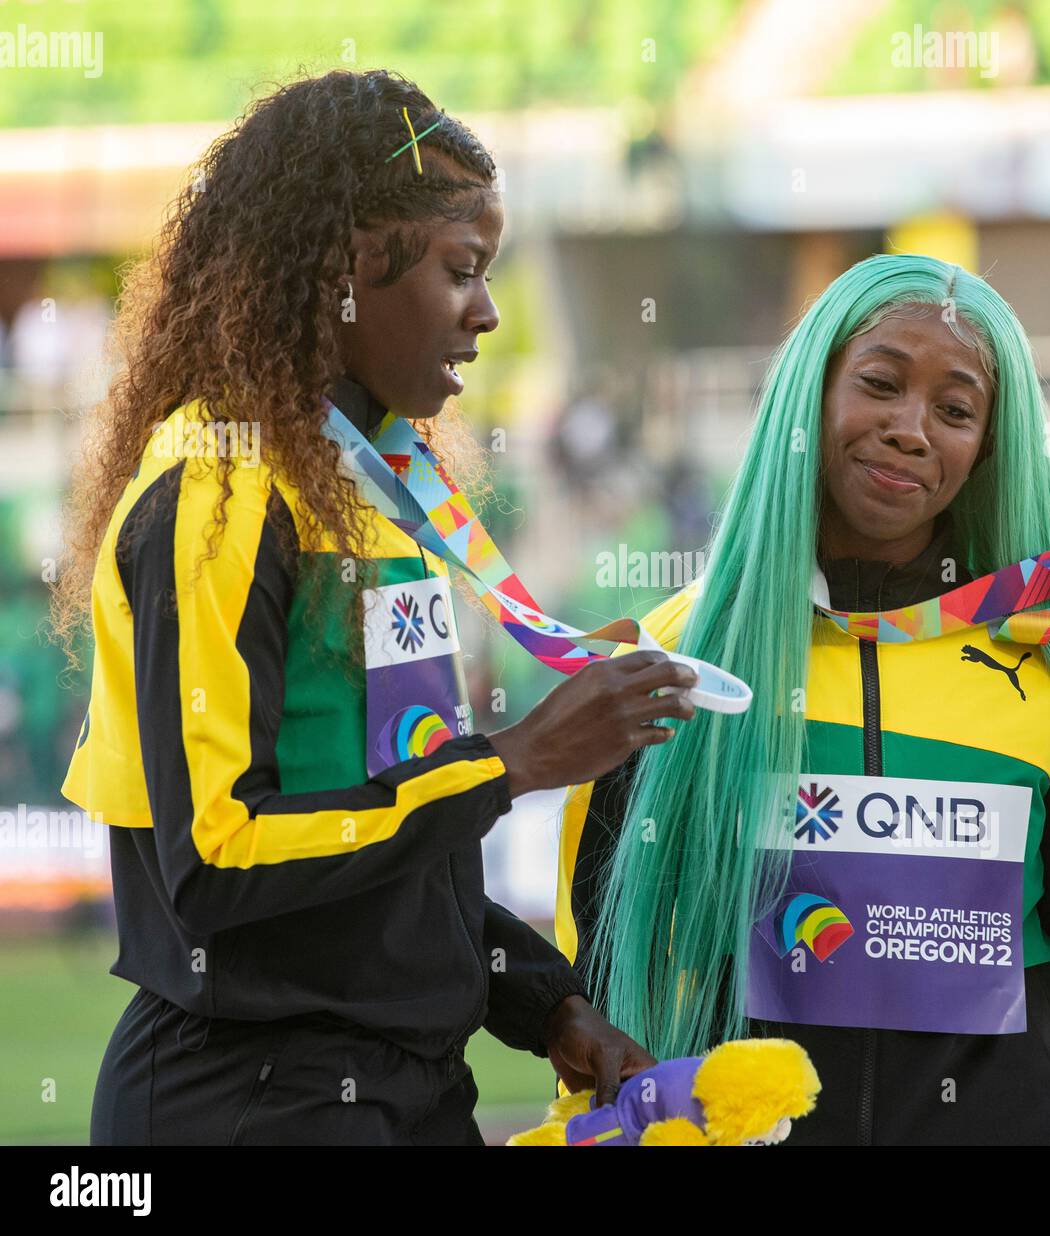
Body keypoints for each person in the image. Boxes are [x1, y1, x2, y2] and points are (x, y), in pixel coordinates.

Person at [52, 68, 697, 1146]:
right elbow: (217, 860)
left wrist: (543, 1004)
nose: (486, 313)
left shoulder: (361, 502)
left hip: (400, 1092)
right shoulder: (218, 496)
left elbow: (384, 845)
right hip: (253, 1102)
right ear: (347, 264)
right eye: (462, 270)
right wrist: (515, 762)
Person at [558, 254, 1050, 1146]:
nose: (912, 429)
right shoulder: (674, 657)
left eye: (955, 409)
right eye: (880, 384)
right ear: (809, 398)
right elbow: (598, 958)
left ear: (987, 448)